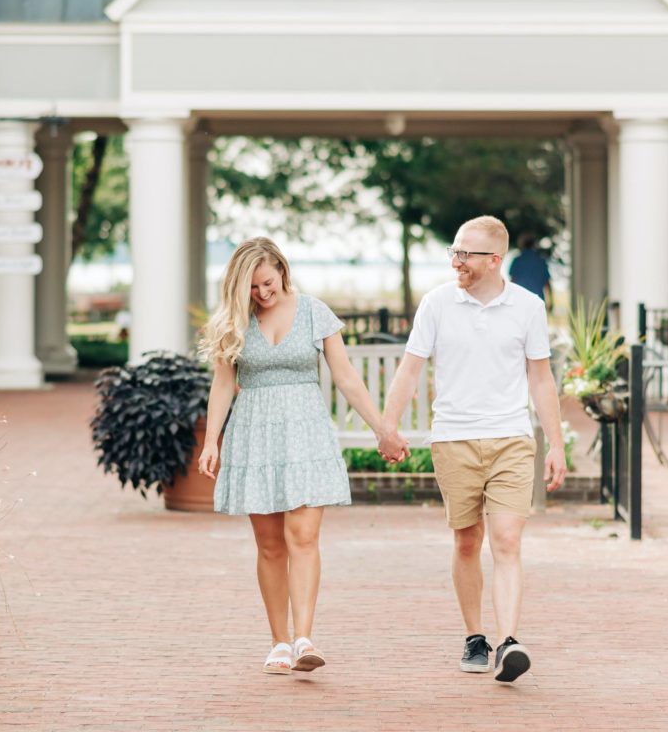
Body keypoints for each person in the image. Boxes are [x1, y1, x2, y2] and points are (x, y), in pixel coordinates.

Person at [197, 237, 407, 675]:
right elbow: (222, 385)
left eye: (268, 283)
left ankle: (304, 638)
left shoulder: (314, 311)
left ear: (282, 270)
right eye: (253, 288)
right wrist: (211, 440)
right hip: (255, 436)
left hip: (306, 435)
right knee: (270, 545)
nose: (262, 294)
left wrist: (382, 430)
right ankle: (277, 641)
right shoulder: (234, 321)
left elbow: (347, 378)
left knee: (304, 538)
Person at [380, 215, 567, 684]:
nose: (457, 260)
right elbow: (409, 370)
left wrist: (557, 444)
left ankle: (508, 642)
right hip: (454, 438)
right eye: (455, 251)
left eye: (467, 253)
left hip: (510, 438)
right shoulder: (437, 304)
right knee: (467, 541)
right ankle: (474, 636)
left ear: (495, 260)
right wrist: (388, 426)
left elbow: (540, 378)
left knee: (506, 539)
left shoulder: (527, 307)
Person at [507, 237, 552, 305]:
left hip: (520, 301)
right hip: (538, 302)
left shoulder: (517, 261)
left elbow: (512, 282)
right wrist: (551, 301)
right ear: (534, 245)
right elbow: (547, 284)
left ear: (522, 245)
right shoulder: (540, 261)